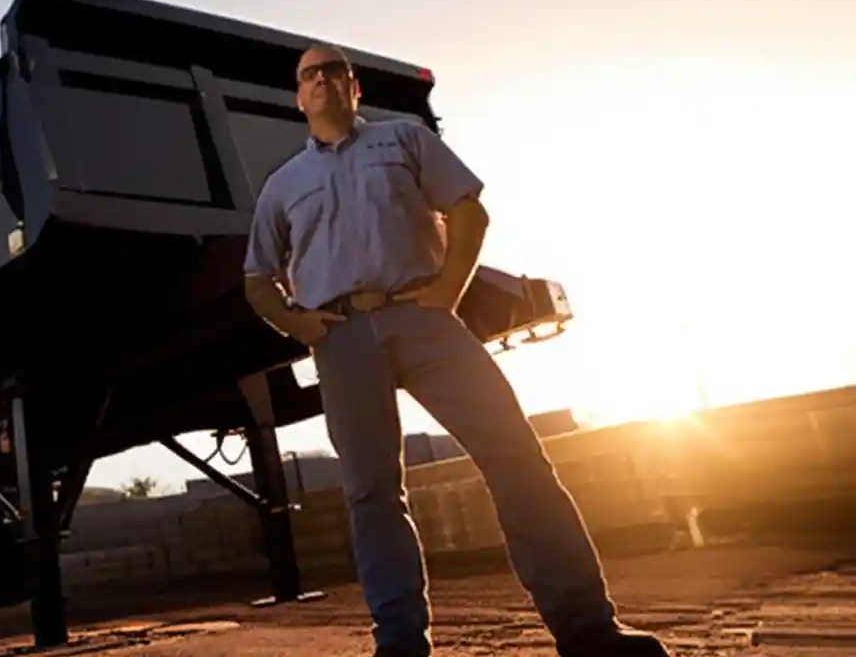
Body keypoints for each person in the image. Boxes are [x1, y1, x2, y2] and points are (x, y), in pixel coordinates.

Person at [242, 44, 670, 657]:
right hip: (341, 337)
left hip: (426, 318)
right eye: (310, 75)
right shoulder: (284, 185)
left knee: (516, 456)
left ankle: (588, 629)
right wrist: (300, 326)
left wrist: (446, 291)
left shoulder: (404, 141)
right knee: (371, 491)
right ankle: (400, 645)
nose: (322, 82)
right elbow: (258, 277)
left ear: (353, 87)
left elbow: (468, 213)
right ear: (298, 96)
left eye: (334, 71)